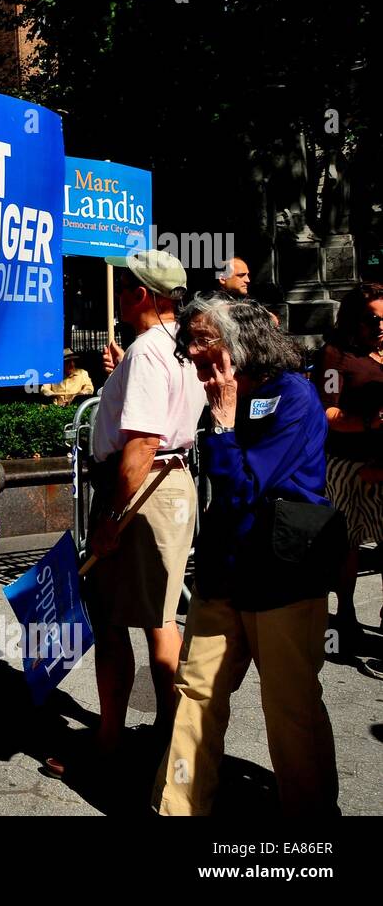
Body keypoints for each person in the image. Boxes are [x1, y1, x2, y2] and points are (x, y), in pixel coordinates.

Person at [155, 296, 341, 815]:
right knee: (195, 697)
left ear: (243, 342)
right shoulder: (226, 394)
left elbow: (243, 489)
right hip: (225, 573)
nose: (192, 352)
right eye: (188, 340)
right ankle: (177, 807)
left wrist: (224, 424)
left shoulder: (294, 395)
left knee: (289, 706)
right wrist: (222, 419)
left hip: (281, 575)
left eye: (203, 339)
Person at [73, 250, 206, 780]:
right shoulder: (177, 347)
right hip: (167, 487)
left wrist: (110, 519)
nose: (121, 296)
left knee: (119, 622)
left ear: (143, 296)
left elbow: (142, 444)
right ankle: (167, 743)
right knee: (160, 618)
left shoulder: (150, 352)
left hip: (142, 490)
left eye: (126, 287)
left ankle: (116, 746)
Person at [315, 281, 383, 648]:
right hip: (347, 464)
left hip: (382, 463)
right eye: (372, 320)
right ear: (354, 320)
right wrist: (372, 422)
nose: (380, 328)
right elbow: (327, 412)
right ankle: (345, 615)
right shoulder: (336, 355)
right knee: (348, 543)